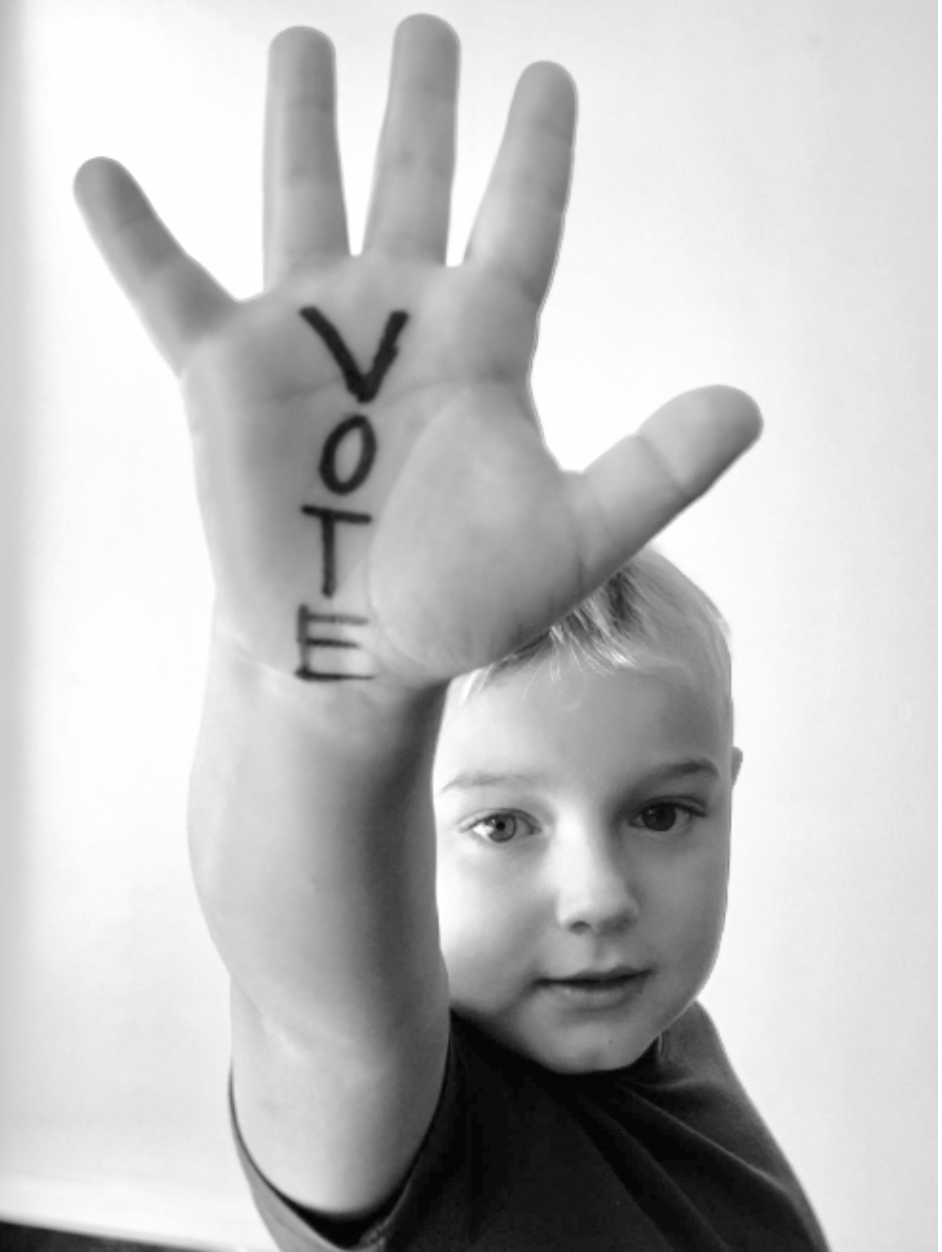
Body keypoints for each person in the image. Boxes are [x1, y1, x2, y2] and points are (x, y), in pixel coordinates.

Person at [74, 14, 829, 1250]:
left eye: (663, 810)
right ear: (402, 839)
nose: (598, 896)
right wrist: (334, 697)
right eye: (499, 823)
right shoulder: (407, 1113)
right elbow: (317, 995)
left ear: (730, 794)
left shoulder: (664, 1039)